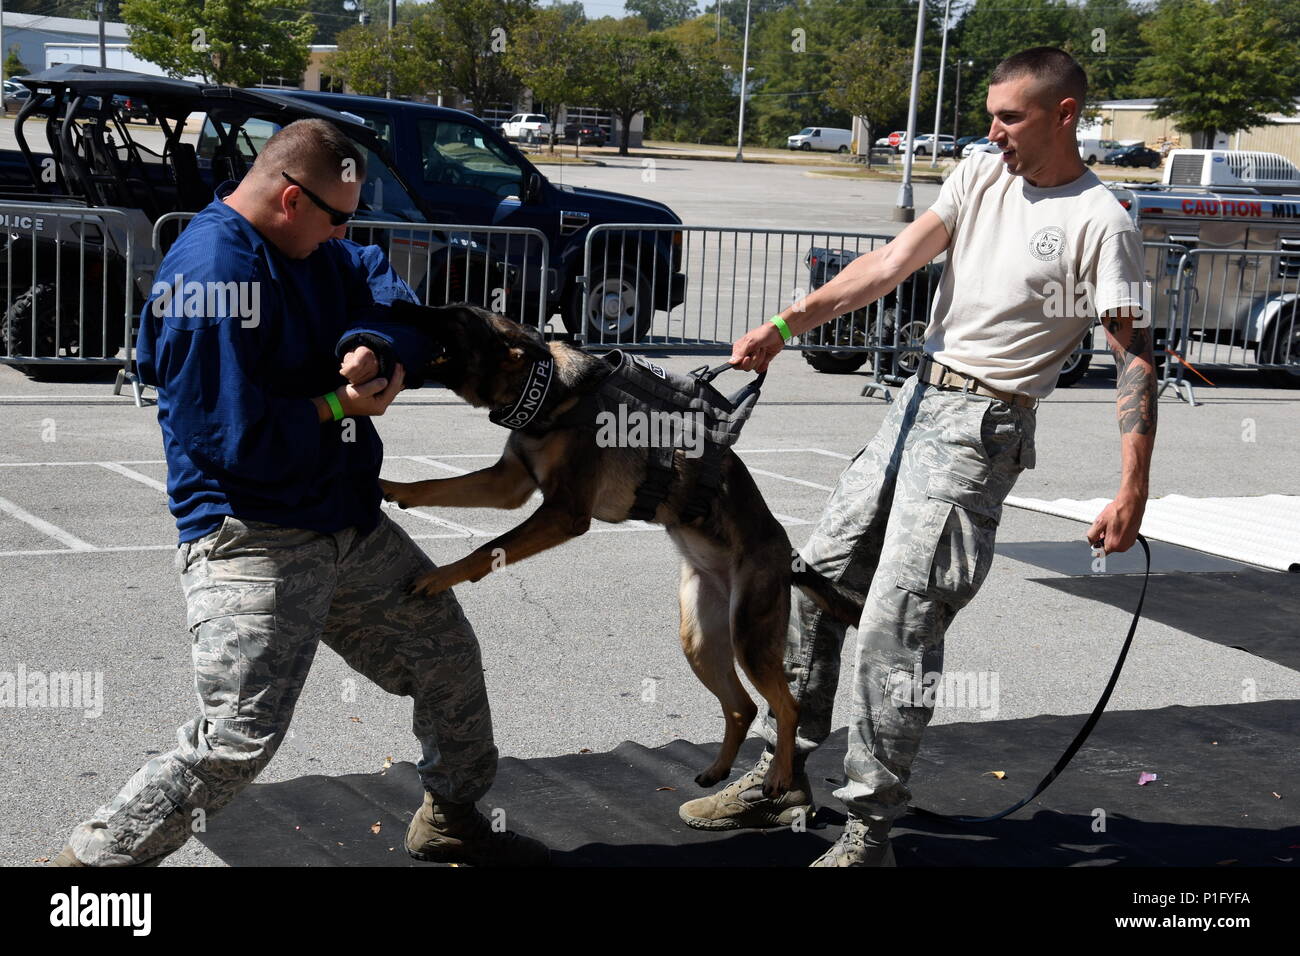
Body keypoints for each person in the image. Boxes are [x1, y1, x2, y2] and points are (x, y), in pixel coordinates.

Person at [679, 47, 1157, 866]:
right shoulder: (978, 175)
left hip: (983, 429)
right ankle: (781, 776)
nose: (993, 129)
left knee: (899, 627)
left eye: (1011, 115)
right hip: (914, 402)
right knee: (812, 584)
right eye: (992, 114)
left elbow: (1136, 357)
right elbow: (888, 265)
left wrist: (1132, 491)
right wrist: (788, 325)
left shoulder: (1101, 220)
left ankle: (870, 829)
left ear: (1065, 114)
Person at [52, 119, 548, 867]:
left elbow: (394, 301)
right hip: (251, 534)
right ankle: (88, 868)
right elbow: (234, 441)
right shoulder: (213, 279)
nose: (344, 232)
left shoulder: (316, 249)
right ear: (290, 199)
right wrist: (339, 405)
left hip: (345, 521)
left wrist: (375, 347)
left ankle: (450, 817)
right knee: (237, 739)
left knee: (447, 660)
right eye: (335, 216)